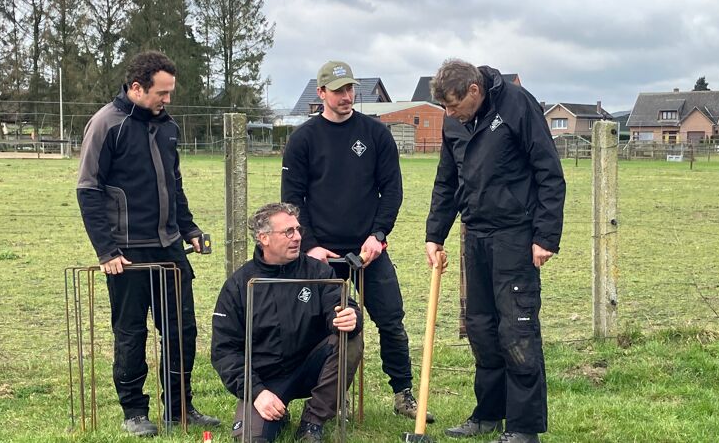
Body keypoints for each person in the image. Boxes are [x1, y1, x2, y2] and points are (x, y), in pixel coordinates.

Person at [76, 50, 220, 436]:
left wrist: (188, 229)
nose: (167, 100)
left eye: (170, 92)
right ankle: (134, 412)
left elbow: (174, 184)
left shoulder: (167, 126)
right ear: (137, 88)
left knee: (181, 331)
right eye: (162, 93)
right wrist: (106, 251)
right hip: (126, 251)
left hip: (168, 245)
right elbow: (88, 190)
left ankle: (179, 408)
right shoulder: (107, 124)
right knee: (131, 332)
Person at [281, 60, 433, 423]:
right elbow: (292, 199)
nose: (346, 96)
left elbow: (391, 190)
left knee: (391, 321)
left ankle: (403, 393)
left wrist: (378, 236)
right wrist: (310, 245)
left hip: (368, 251)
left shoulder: (375, 134)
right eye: (338, 91)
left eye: (350, 89)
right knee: (324, 326)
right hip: (322, 254)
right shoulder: (303, 139)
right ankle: (332, 396)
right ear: (321, 93)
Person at [424, 59, 566, 443]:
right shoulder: (453, 121)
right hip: (475, 236)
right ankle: (488, 414)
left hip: (515, 236)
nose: (449, 114)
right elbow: (446, 180)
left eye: (454, 106)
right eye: (444, 108)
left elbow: (549, 172)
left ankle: (523, 427)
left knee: (516, 329)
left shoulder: (517, 104)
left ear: (474, 90)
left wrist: (545, 236)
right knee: (481, 328)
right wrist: (435, 234)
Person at [211, 203, 363, 443]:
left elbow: (339, 304)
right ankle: (276, 412)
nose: (298, 237)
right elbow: (224, 351)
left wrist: (348, 316)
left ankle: (313, 420)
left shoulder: (317, 271)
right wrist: (257, 393)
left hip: (311, 367)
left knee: (349, 339)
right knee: (252, 439)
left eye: (298, 230)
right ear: (264, 238)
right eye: (288, 232)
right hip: (266, 379)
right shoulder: (239, 285)